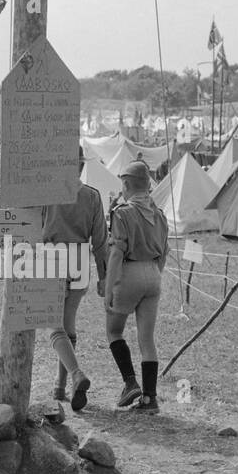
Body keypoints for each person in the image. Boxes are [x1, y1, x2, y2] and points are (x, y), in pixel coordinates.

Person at [42, 150, 108, 411]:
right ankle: (61, 387)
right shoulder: (92, 196)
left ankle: (76, 374)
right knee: (68, 326)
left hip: (52, 256)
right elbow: (101, 242)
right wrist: (104, 277)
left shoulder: (47, 193)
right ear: (81, 165)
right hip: (81, 260)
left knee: (54, 327)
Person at [104, 160, 168, 413]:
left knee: (114, 331)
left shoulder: (122, 213)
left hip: (129, 272)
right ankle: (150, 398)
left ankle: (130, 382)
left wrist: (109, 288)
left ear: (127, 184)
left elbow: (117, 253)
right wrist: (152, 275)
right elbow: (164, 253)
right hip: (153, 273)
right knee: (146, 339)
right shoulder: (160, 216)